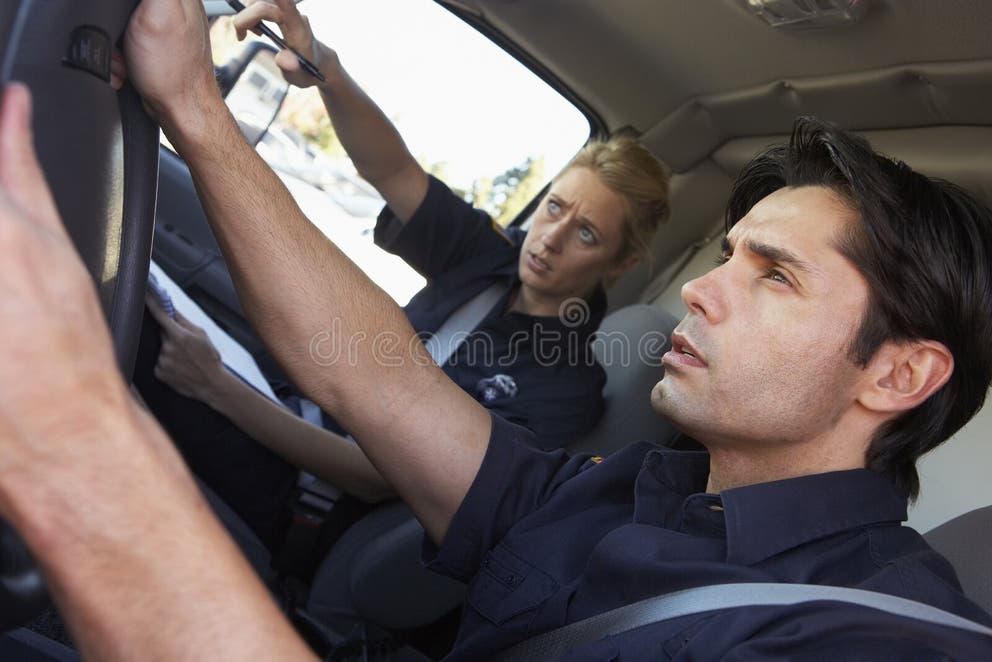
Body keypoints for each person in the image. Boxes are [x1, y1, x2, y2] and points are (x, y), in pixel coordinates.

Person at [1, 1, 991, 660]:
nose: (700, 292)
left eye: (771, 274)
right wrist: (193, 108)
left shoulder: (871, 639)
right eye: (725, 254)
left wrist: (81, 447)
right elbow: (384, 383)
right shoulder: (630, 491)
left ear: (897, 373)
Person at [131, 1, 670, 545]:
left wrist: (217, 386)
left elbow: (373, 478)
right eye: (555, 207)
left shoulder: (566, 388)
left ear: (619, 263)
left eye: (586, 235)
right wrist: (328, 71)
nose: (550, 238)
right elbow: (391, 168)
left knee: (120, 333)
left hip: (302, 495)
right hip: (280, 403)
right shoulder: (490, 256)